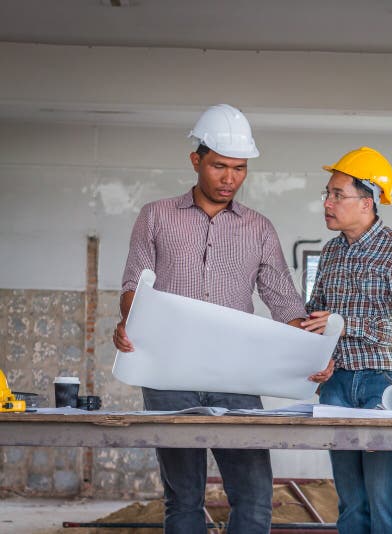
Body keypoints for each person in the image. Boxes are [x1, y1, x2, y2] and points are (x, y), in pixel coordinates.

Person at [113, 104, 307, 534]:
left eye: (239, 169)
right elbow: (133, 289)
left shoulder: (258, 228)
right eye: (219, 166)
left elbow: (284, 301)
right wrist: (130, 322)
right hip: (168, 375)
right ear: (196, 160)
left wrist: (311, 349)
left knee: (254, 497)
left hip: (237, 376)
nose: (229, 179)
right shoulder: (156, 216)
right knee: (182, 498)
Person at [302, 146, 392, 534]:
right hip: (338, 385)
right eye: (327, 193)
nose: (328, 202)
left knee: (385, 499)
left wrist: (345, 323)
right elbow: (317, 316)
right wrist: (316, 354)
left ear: (368, 201)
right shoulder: (331, 252)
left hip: (386, 385)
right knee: (351, 503)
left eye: (338, 195)